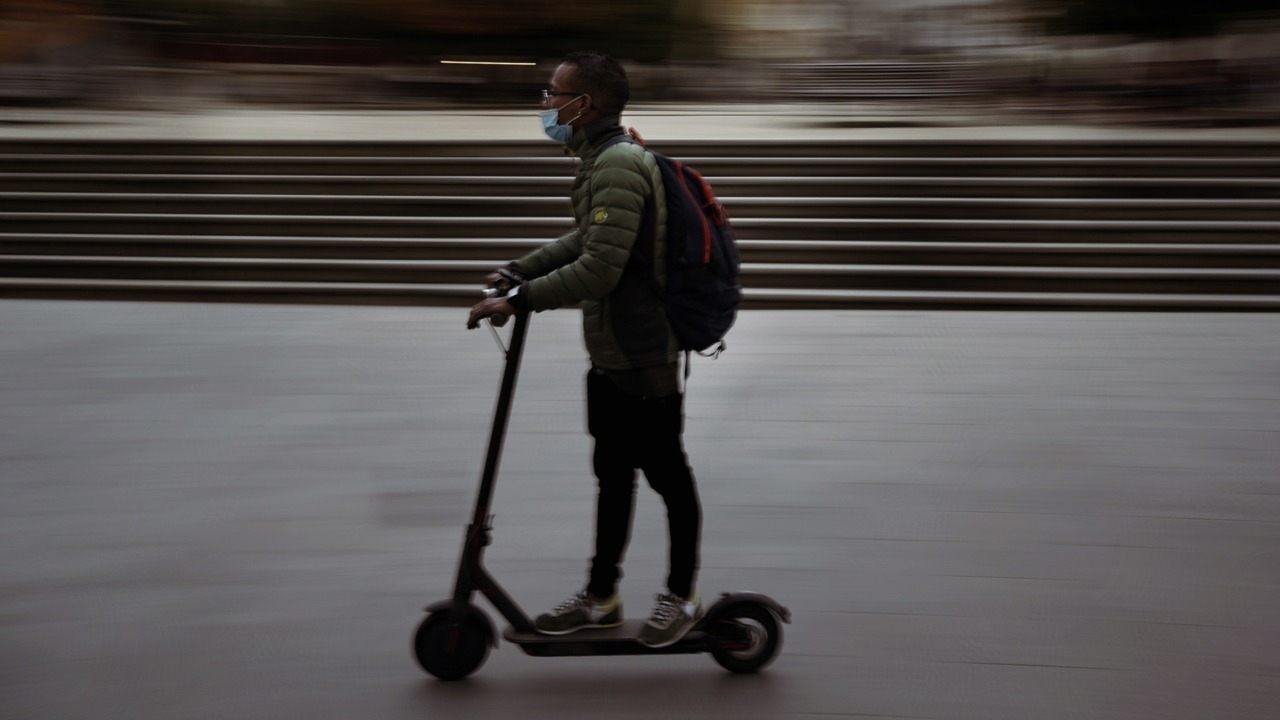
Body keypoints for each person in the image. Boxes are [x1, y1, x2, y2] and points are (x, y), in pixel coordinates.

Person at [466, 50, 702, 649]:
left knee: (667, 476)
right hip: (613, 352)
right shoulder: (602, 159)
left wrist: (520, 300)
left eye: (554, 94)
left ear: (584, 104)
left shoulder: (619, 164)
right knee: (613, 475)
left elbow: (600, 267)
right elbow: (587, 236)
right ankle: (601, 597)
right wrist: (520, 269)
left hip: (644, 356)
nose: (547, 105)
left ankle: (682, 597)